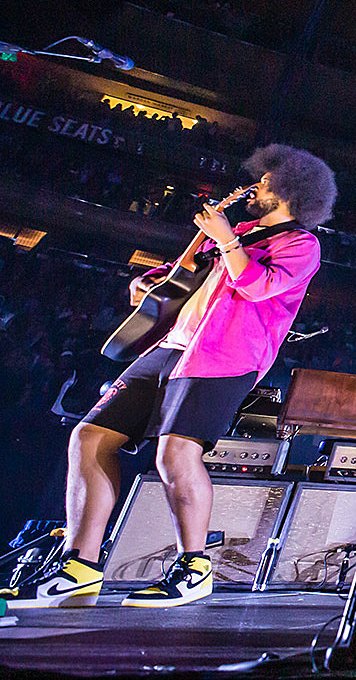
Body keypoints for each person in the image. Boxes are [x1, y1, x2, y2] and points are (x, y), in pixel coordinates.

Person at [2, 144, 336, 609]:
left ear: (288, 191)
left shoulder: (300, 245)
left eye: (264, 180)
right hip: (172, 347)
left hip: (225, 358)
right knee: (89, 436)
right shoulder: (237, 231)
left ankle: (194, 569)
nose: (255, 185)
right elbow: (180, 277)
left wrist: (227, 241)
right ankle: (79, 567)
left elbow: (257, 285)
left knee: (175, 455)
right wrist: (149, 282)